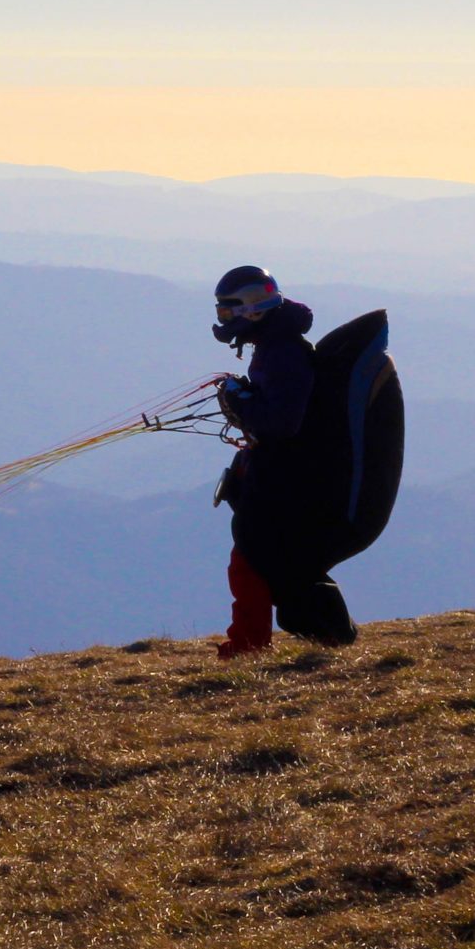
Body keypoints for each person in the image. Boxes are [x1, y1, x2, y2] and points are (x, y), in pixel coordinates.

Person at [209, 266, 357, 656]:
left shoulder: (284, 354)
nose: (223, 321)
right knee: (258, 559)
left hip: (286, 481)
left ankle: (250, 647)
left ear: (253, 310)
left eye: (228, 311)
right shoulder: (274, 347)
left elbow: (283, 423)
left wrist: (244, 402)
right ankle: (255, 644)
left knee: (254, 559)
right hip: (281, 475)